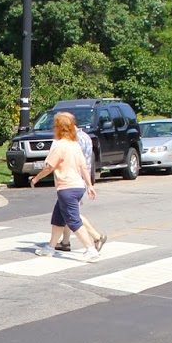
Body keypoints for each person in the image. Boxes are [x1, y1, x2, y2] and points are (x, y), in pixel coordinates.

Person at [30, 111, 107, 261]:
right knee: (58, 218)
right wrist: (90, 186)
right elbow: (84, 167)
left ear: (58, 127)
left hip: (67, 188)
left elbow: (49, 166)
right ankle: (50, 248)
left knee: (73, 220)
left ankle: (91, 249)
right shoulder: (74, 145)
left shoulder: (59, 146)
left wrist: (36, 178)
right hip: (78, 186)